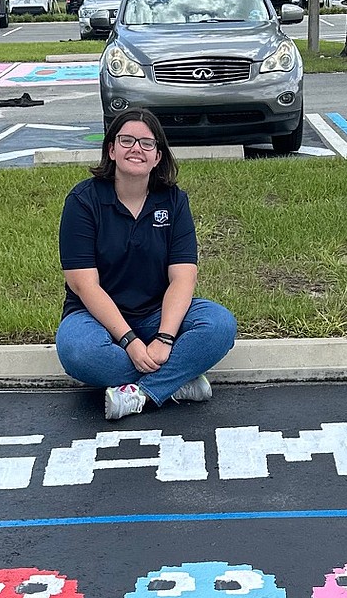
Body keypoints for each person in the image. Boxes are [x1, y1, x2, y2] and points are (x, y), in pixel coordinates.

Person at [56, 107, 237, 420]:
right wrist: (131, 343)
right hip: (95, 318)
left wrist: (165, 338)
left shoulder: (174, 201)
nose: (136, 148)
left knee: (220, 325)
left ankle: (142, 393)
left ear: (157, 156)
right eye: (126, 140)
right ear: (111, 149)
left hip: (158, 315)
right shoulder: (83, 201)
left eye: (147, 143)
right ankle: (176, 382)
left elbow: (183, 278)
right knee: (77, 352)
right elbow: (83, 284)